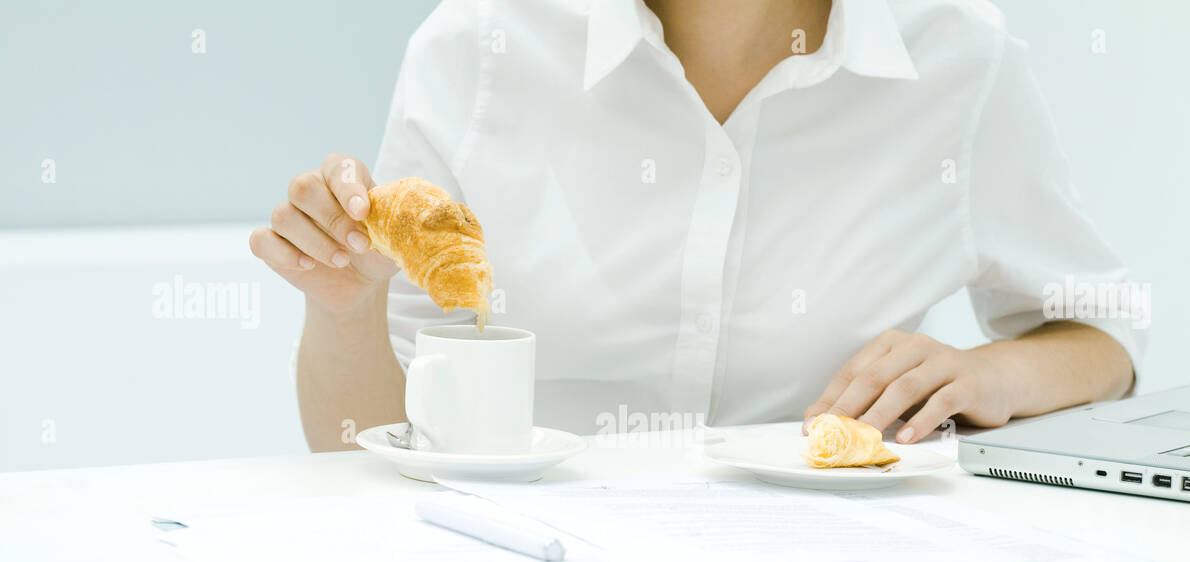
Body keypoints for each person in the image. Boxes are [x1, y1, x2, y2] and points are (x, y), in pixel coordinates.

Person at [250, 0, 1139, 452]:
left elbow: (1101, 338)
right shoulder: (481, 46)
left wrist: (984, 373)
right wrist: (342, 313)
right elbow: (365, 445)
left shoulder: (955, 57)